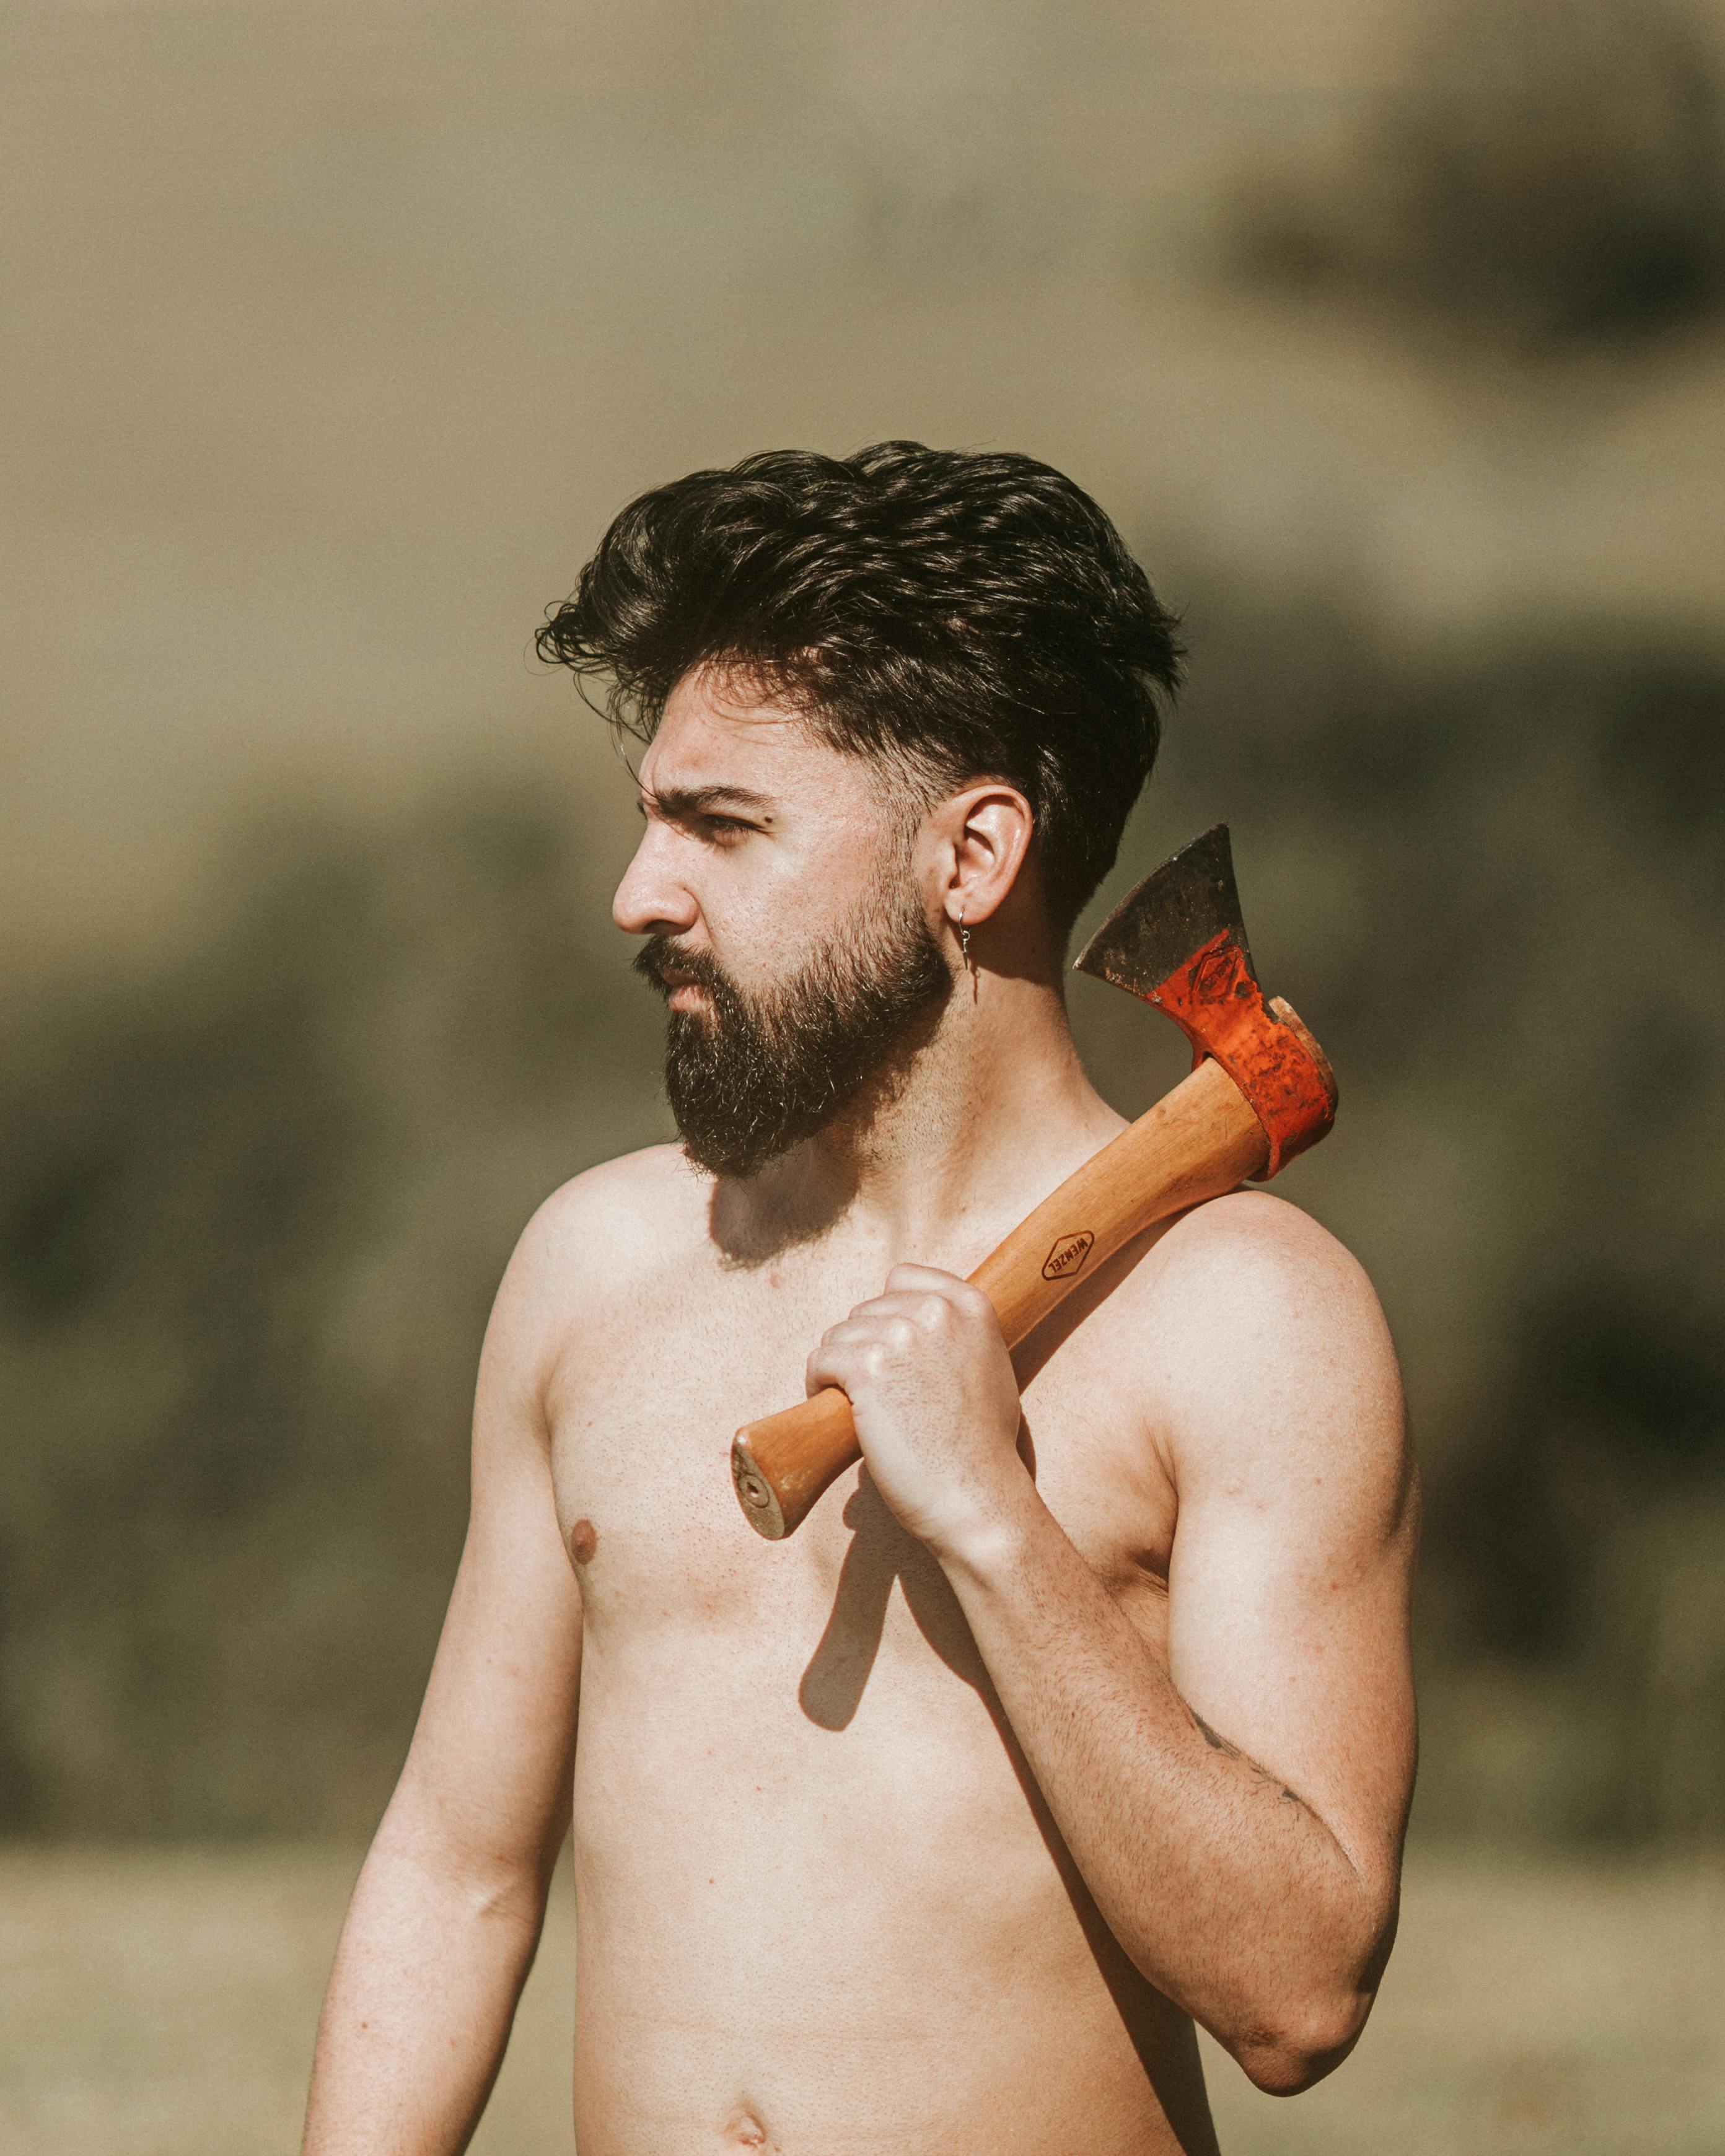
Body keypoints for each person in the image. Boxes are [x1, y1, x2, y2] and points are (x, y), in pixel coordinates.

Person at [301, 443, 1416, 2156]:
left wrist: (995, 1521)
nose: (638, 894)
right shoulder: (595, 1269)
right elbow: (456, 1873)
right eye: (651, 817)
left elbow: (1300, 1994)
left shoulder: (1253, 1320)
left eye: (722, 826)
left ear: (972, 854)